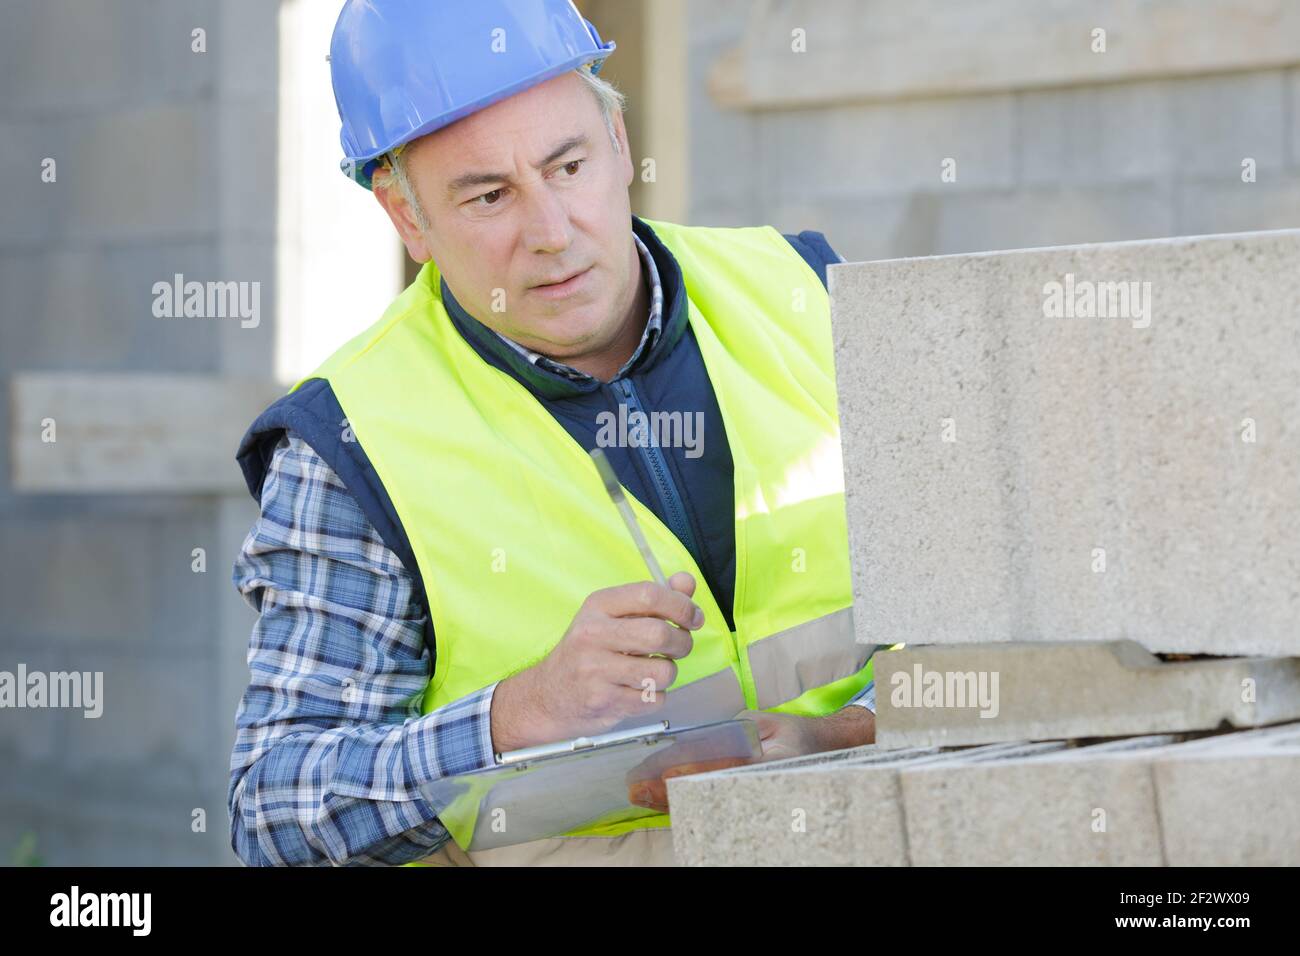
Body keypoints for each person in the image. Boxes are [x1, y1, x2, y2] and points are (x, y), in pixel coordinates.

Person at [228, 0, 875, 867]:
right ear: (407, 218)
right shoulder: (349, 440)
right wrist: (515, 716)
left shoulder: (808, 294)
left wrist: (839, 736)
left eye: (566, 166)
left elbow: (1000, 626)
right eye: (489, 195)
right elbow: (277, 807)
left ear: (616, 143)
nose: (552, 232)